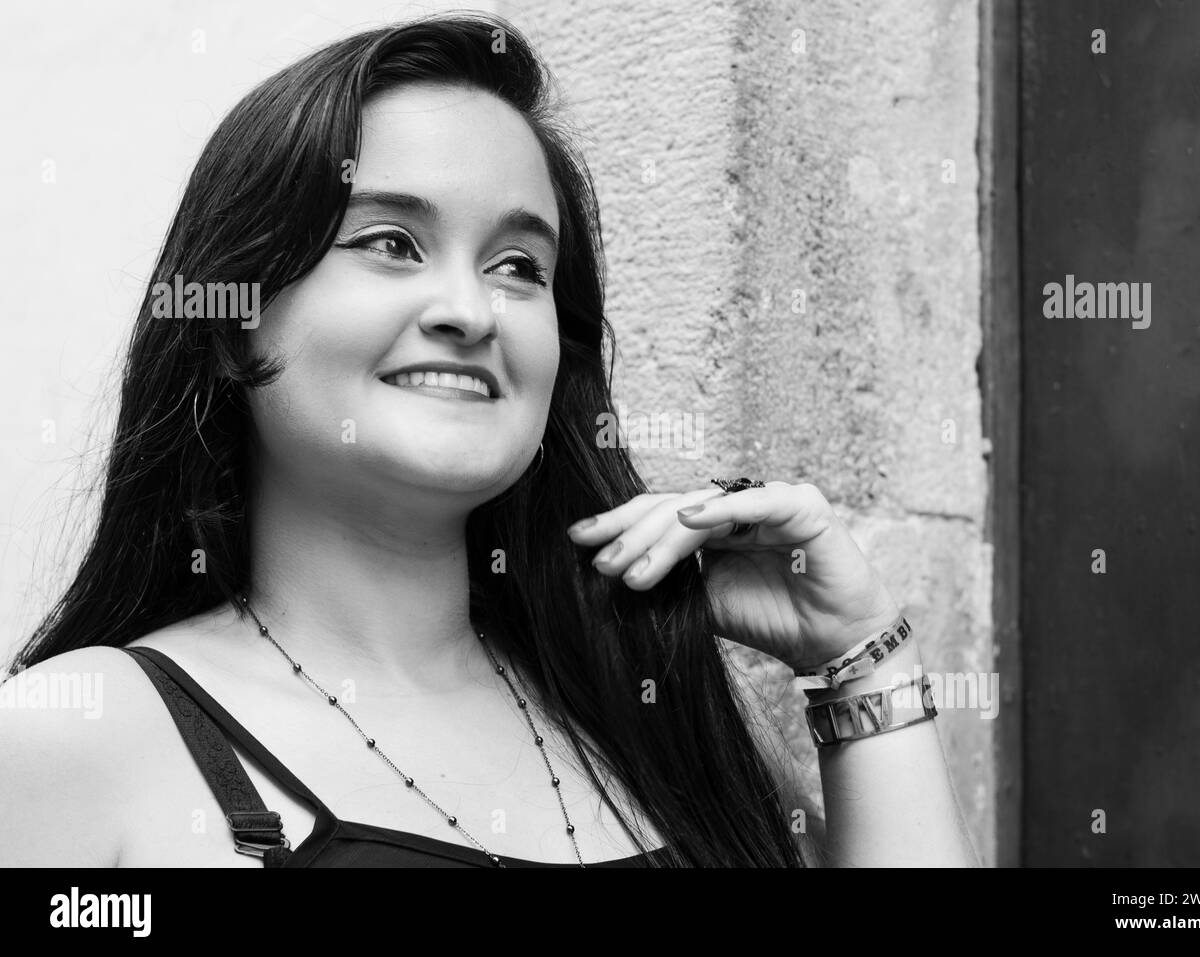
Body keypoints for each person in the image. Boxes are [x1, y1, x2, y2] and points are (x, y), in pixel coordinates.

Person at [0, 11, 979, 868]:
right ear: (232, 316)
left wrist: (859, 659)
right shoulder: (80, 740)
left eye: (518, 266)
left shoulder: (654, 718)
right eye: (390, 242)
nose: (470, 311)